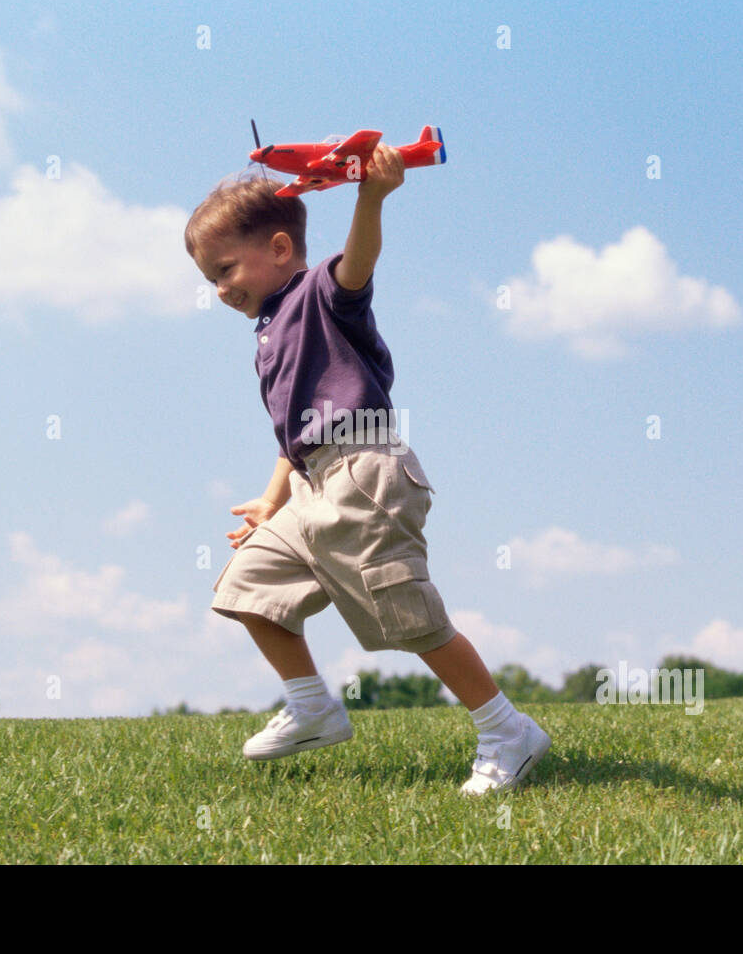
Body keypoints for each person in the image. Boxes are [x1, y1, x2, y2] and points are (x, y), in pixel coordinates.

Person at [183, 147, 550, 794]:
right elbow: (293, 438)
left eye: (225, 268)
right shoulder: (269, 333)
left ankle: (506, 729)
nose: (219, 288)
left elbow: (359, 265)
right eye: (210, 276)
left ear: (276, 246)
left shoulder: (322, 294)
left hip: (365, 472)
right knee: (249, 585)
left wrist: (370, 197)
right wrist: (271, 502)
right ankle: (313, 706)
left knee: (409, 616)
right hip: (311, 484)